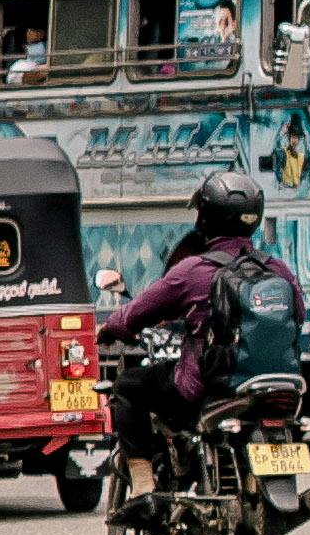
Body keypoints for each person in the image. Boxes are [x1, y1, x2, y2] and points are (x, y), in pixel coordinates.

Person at [98, 178, 269, 497]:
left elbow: (137, 313)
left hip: (206, 384)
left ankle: (143, 483)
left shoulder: (193, 270)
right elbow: (298, 315)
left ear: (205, 217)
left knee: (128, 386)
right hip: (267, 380)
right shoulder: (275, 269)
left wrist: (111, 329)